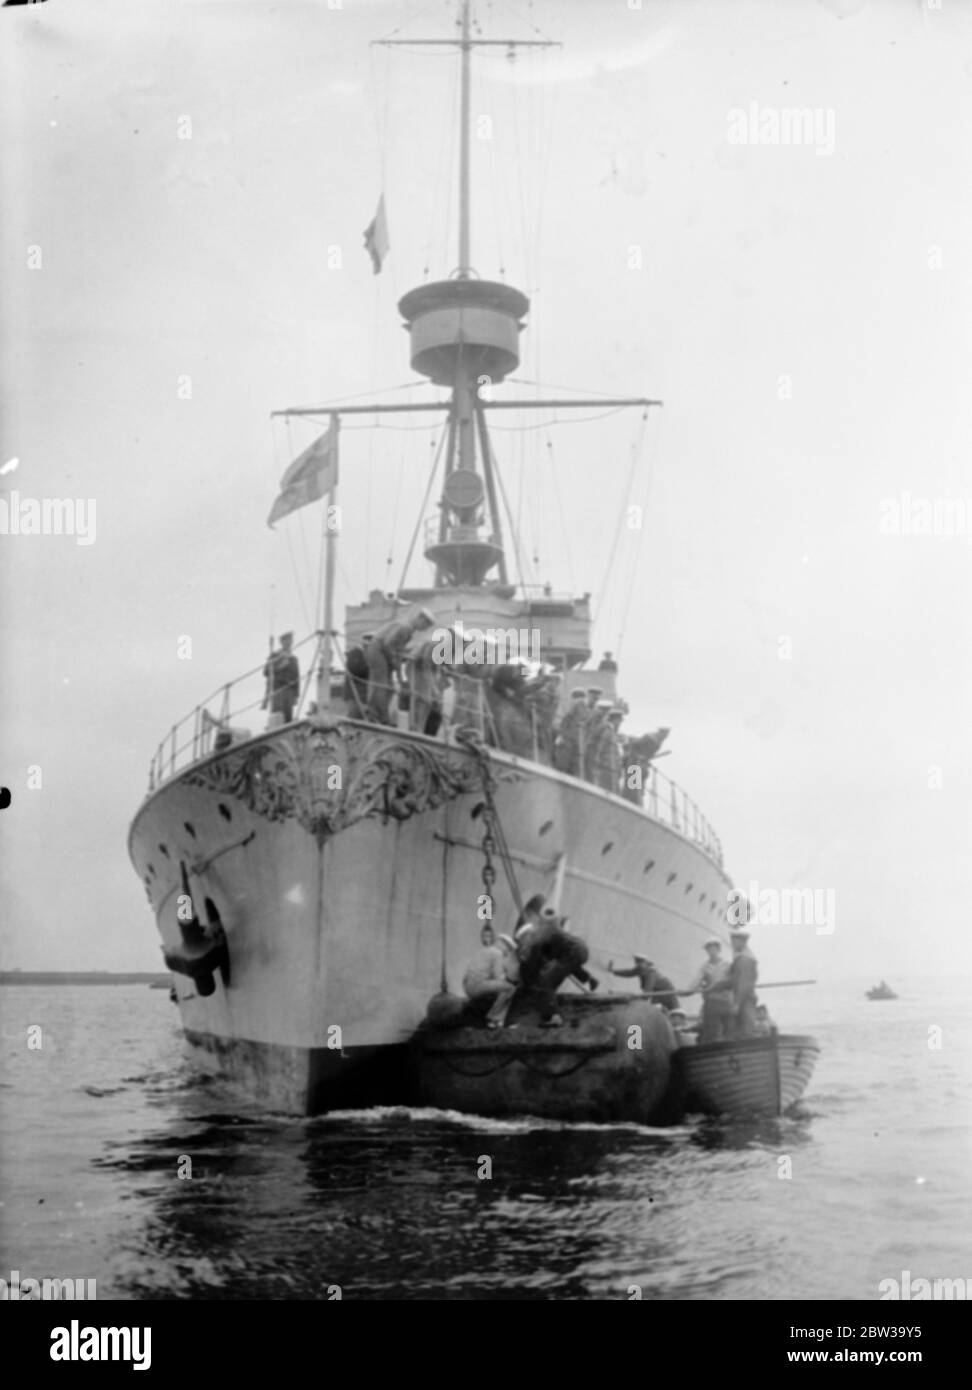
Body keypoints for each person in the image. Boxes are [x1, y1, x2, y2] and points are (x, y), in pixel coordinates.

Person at [517, 906, 597, 1026]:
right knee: (565, 967)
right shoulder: (550, 931)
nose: (524, 941)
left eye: (524, 938)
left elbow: (534, 962)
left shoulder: (538, 937)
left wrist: (528, 981)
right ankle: (590, 979)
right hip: (581, 949)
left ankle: (554, 1017)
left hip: (573, 952)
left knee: (547, 982)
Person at [366, 608, 435, 724]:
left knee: (389, 686)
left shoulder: (407, 628)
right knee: (382, 684)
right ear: (420, 619)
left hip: (381, 652)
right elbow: (388, 644)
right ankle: (376, 715)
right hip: (378, 651)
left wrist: (399, 663)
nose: (425, 629)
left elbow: (395, 647)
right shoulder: (405, 628)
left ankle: (380, 714)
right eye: (426, 625)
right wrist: (394, 662)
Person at [686, 938, 733, 1044]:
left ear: (718, 949)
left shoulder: (727, 965)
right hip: (712, 1003)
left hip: (727, 1002)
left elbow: (734, 980)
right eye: (709, 949)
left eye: (714, 948)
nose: (712, 951)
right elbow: (696, 982)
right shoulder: (705, 967)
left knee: (730, 1029)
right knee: (712, 1031)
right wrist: (687, 992)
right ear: (707, 951)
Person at [462, 925, 507, 1017]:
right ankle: (495, 1018)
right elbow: (498, 977)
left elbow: (465, 978)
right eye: (486, 936)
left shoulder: (478, 952)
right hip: (480, 989)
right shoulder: (497, 953)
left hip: (468, 990)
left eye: (488, 936)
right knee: (509, 988)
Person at [607, 954, 679, 1010]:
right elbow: (628, 973)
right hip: (657, 993)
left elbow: (647, 993)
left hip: (667, 993)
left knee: (669, 1010)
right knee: (654, 1009)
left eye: (640, 963)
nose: (638, 965)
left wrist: (634, 1000)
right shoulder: (640, 969)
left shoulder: (650, 974)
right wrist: (614, 971)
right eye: (637, 963)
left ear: (645, 963)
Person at [485, 933, 521, 1029]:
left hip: (514, 983)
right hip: (508, 982)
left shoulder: (515, 955)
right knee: (501, 1001)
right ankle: (492, 1019)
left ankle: (499, 1020)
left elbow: (511, 945)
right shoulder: (509, 956)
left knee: (506, 1003)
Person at [263, 632, 300, 724]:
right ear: (282, 642)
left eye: (290, 642)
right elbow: (266, 671)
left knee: (288, 718)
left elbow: (296, 677)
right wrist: (280, 667)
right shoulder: (274, 656)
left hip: (289, 690)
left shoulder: (293, 659)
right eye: (286, 641)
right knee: (278, 716)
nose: (288, 644)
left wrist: (296, 695)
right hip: (278, 689)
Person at [728, 928, 759, 1038]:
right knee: (743, 1029)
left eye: (734, 941)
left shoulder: (745, 959)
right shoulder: (742, 958)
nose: (732, 944)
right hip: (744, 998)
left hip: (744, 999)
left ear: (743, 942)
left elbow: (743, 984)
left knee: (746, 1029)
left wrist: (737, 1003)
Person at [553, 689, 589, 776]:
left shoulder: (578, 705)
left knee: (565, 759)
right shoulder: (583, 707)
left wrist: (561, 734)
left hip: (570, 738)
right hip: (575, 738)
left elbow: (568, 720)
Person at [344, 634, 372, 716]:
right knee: (354, 717)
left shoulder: (365, 656)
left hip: (363, 696)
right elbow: (356, 670)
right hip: (355, 696)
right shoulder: (356, 654)